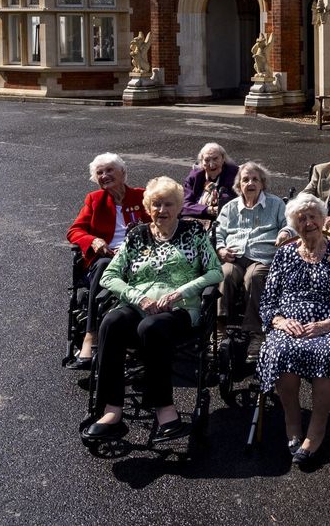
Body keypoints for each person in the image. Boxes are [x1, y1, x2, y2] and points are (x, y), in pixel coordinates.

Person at [82, 176, 222, 443]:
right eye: (156, 204)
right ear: (148, 207)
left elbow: (215, 272)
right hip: (139, 304)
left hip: (179, 309)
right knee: (111, 322)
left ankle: (165, 411)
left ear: (179, 206)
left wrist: (180, 292)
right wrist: (138, 297)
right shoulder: (136, 235)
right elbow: (109, 276)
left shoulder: (193, 233)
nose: (162, 210)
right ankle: (111, 411)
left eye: (168, 204)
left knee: (152, 327)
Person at [257, 193, 330, 467]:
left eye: (313, 217)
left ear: (323, 220)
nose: (308, 222)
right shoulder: (285, 253)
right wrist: (279, 321)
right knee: (279, 351)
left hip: (326, 325)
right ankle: (292, 420)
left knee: (326, 353)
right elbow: (267, 301)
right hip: (288, 324)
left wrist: (328, 324)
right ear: (294, 224)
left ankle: (316, 429)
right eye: (301, 219)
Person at [65, 153, 150, 368]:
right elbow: (74, 231)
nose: (105, 175)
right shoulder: (94, 200)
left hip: (141, 258)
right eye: (100, 173)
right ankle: (90, 336)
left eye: (109, 170)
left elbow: (161, 224)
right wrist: (93, 240)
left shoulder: (142, 197)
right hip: (107, 258)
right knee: (104, 265)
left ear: (123, 172)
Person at [213, 162, 289, 359]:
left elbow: (288, 226)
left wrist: (284, 233)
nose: (250, 183)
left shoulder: (276, 204)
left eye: (255, 179)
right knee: (226, 274)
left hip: (262, 257)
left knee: (254, 277)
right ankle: (220, 328)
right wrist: (221, 249)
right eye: (245, 179)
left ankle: (257, 332)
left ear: (262, 183)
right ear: (239, 185)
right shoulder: (230, 207)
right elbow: (218, 233)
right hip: (235, 256)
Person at [182, 142, 239, 219]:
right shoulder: (195, 177)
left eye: (215, 159)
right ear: (202, 162)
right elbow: (184, 204)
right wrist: (208, 210)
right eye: (207, 160)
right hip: (198, 218)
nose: (211, 164)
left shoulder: (235, 175)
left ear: (223, 159)